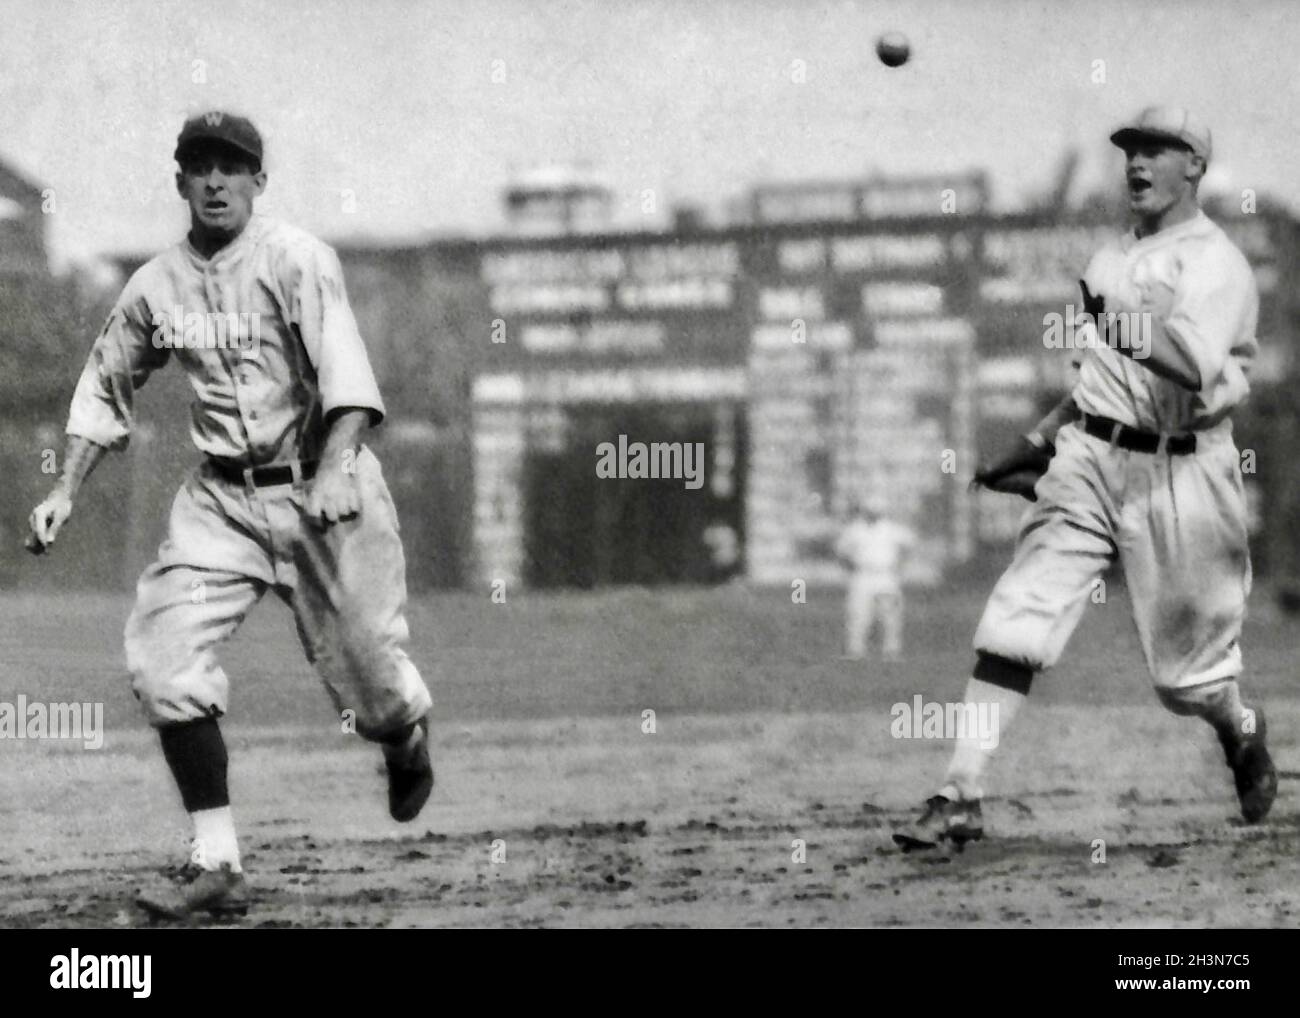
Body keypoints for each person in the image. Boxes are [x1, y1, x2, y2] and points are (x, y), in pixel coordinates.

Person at [26, 111, 435, 917]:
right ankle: (217, 864)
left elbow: (349, 381)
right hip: (221, 499)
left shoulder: (297, 262)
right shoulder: (154, 287)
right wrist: (65, 487)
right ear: (180, 181)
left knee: (371, 682)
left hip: (326, 490)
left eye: (232, 166)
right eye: (201, 166)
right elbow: (103, 390)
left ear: (258, 181)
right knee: (162, 657)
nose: (216, 180)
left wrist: (340, 466)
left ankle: (402, 738)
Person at [894, 106, 1276, 851]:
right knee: (1017, 618)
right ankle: (959, 791)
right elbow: (1099, 379)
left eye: (1157, 150)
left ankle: (1236, 726)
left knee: (1186, 681)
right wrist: (1042, 439)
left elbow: (1194, 365)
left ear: (1194, 166)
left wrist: (1123, 324)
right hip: (1089, 462)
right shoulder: (1108, 259)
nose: (1136, 163)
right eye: (1130, 149)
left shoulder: (1215, 263)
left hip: (1184, 473)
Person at [835, 495, 915, 661]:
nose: (873, 514)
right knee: (858, 613)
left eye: (876, 511)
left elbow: (909, 546)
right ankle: (855, 650)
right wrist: (850, 567)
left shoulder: (891, 529)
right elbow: (841, 551)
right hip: (863, 574)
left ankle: (891, 650)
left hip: (885, 574)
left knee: (890, 614)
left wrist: (900, 565)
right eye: (870, 511)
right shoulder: (855, 529)